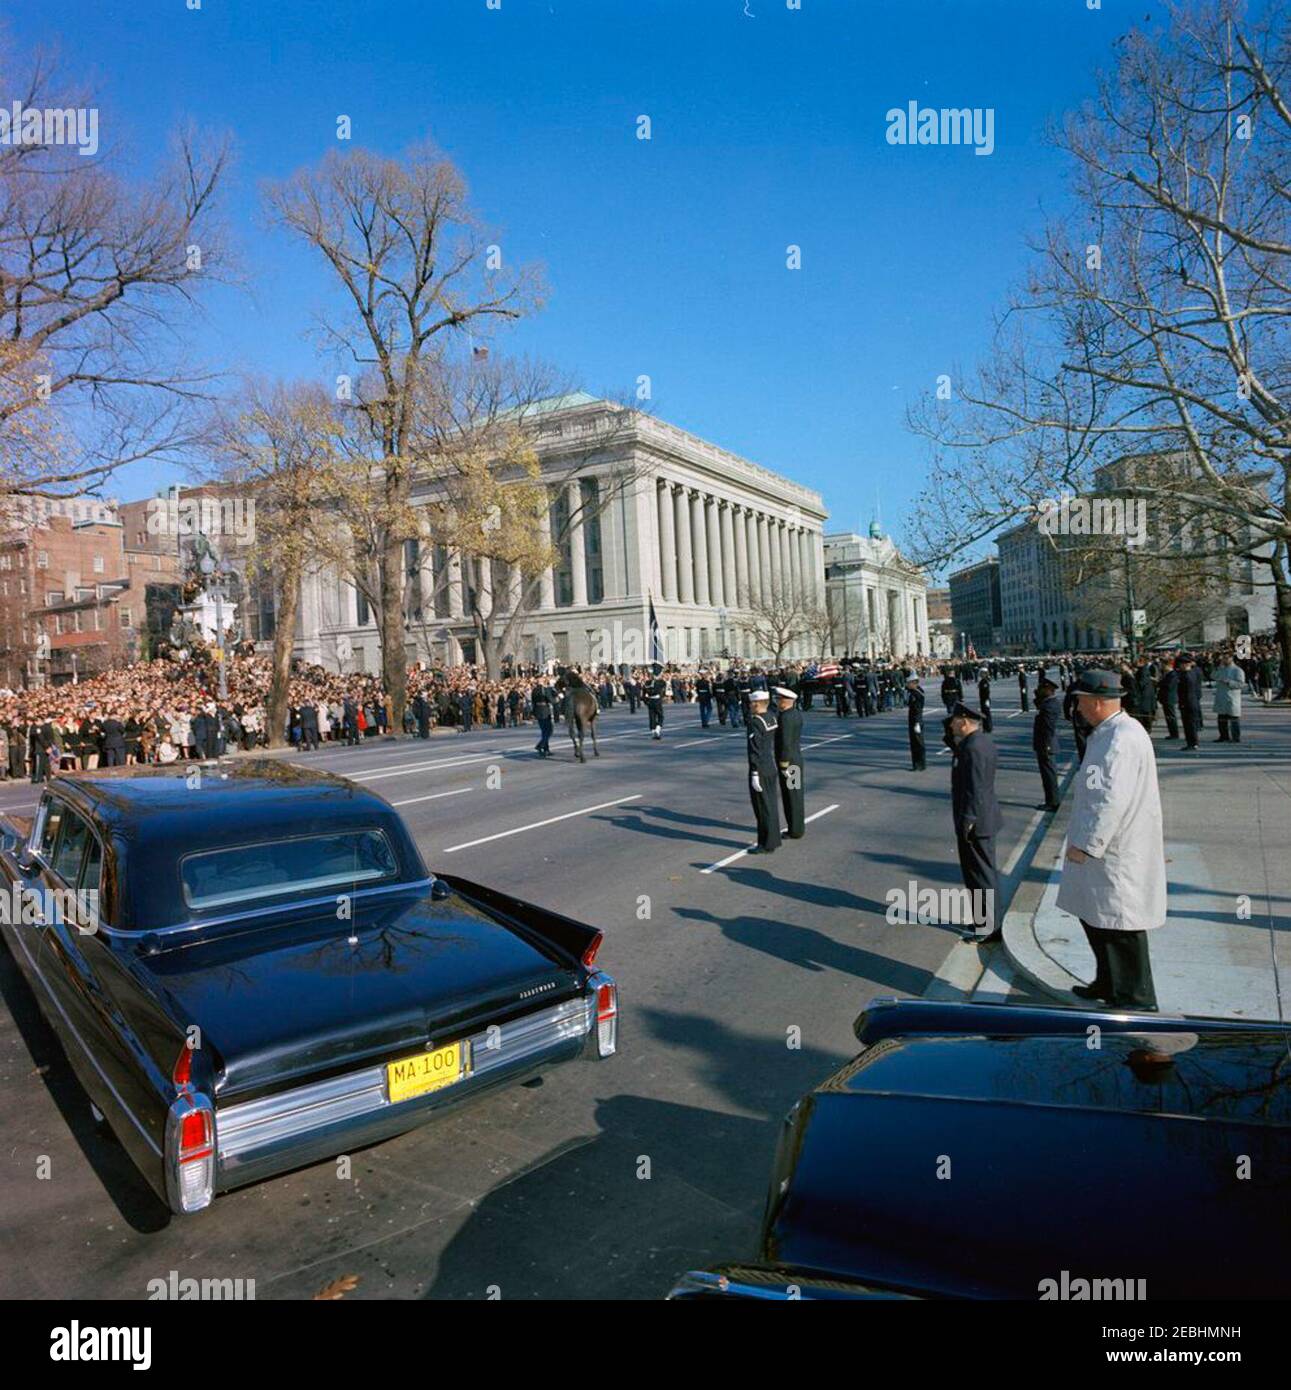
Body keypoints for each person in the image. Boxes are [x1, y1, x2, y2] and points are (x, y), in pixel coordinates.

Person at [1056, 669, 1164, 1011]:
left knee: (1119, 925)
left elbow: (1109, 800)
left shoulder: (1121, 739)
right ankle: (1106, 982)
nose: (1078, 709)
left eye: (1081, 702)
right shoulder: (1108, 733)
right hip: (1105, 849)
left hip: (1114, 851)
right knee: (1096, 918)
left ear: (1099, 702)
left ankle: (1136, 1001)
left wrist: (1087, 844)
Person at [949, 700, 1002, 942]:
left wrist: (969, 819)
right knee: (979, 873)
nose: (951, 725)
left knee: (980, 875)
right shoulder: (978, 742)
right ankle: (984, 920)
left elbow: (976, 788)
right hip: (981, 818)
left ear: (966, 722)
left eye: (954, 720)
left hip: (976, 821)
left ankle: (988, 927)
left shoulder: (973, 748)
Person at [746, 690, 781, 854]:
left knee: (761, 807)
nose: (750, 706)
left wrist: (754, 773)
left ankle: (765, 843)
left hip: (760, 768)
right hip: (770, 765)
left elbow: (755, 749)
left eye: (751, 703)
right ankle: (773, 839)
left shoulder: (755, 722)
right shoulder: (771, 717)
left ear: (757, 703)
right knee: (771, 804)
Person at [773, 686, 804, 839]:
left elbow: (785, 742)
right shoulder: (794, 714)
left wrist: (783, 763)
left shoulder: (785, 717)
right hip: (795, 759)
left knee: (791, 796)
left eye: (778, 699)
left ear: (785, 701)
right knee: (795, 795)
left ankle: (795, 829)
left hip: (789, 762)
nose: (777, 701)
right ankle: (796, 827)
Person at [1033, 676, 1062, 812]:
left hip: (1046, 744)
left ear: (1048, 690)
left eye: (1041, 689)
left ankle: (1053, 802)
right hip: (1046, 743)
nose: (1039, 691)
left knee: (1049, 775)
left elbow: (1048, 728)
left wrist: (1046, 745)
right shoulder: (1050, 703)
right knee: (1048, 774)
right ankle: (1051, 800)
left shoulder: (1049, 706)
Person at [1211, 654, 1244, 743]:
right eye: (1223, 658)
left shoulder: (1237, 670)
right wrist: (1217, 668)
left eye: (1226, 658)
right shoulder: (1221, 669)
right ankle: (1223, 736)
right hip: (1221, 696)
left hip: (1232, 697)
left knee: (1234, 718)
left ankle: (1235, 737)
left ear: (1231, 658)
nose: (1224, 660)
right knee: (1221, 718)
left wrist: (1229, 682)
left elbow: (1241, 684)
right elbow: (1213, 676)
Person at [1177, 654, 1203, 751]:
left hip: (1188, 703)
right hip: (1193, 702)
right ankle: (1193, 742)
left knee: (1189, 725)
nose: (1179, 666)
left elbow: (1186, 692)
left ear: (1185, 664)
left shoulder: (1186, 676)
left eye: (1181, 664)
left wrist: (1182, 704)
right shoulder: (1193, 673)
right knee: (1190, 724)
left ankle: (1192, 743)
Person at [906, 673, 926, 771]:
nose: (907, 684)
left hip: (916, 720)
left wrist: (917, 722)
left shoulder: (917, 694)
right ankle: (916, 764)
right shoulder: (914, 691)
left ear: (914, 683)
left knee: (918, 743)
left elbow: (918, 709)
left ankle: (920, 764)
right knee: (914, 743)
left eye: (909, 683)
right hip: (913, 719)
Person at [532, 681, 554, 757]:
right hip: (545, 711)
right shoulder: (545, 690)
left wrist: (534, 712)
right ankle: (540, 745)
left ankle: (546, 749)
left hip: (538, 710)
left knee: (544, 731)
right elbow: (551, 700)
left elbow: (533, 702)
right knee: (549, 730)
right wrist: (557, 699)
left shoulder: (534, 690)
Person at [644, 671, 666, 740]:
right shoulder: (658, 682)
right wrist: (658, 678)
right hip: (657, 700)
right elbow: (663, 683)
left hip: (650, 701)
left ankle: (653, 732)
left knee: (652, 716)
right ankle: (657, 729)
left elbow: (644, 693)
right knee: (660, 716)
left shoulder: (646, 683)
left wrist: (646, 701)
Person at [978, 668, 993, 733]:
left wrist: (986, 700)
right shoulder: (983, 680)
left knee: (986, 713)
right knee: (985, 713)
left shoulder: (984, 681)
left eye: (981, 673)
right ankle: (987, 727)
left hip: (985, 700)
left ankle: (988, 727)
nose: (980, 674)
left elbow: (986, 692)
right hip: (983, 699)